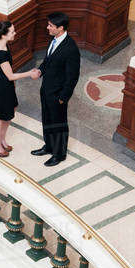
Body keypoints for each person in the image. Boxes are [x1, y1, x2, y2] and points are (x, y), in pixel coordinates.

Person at [30, 12, 81, 167]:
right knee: (47, 119)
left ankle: (59, 154)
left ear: (61, 28)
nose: (47, 28)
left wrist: (63, 97)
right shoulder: (53, 41)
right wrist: (40, 71)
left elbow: (72, 76)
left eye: (51, 25)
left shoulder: (71, 48)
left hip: (58, 94)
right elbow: (48, 61)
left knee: (58, 124)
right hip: (46, 90)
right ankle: (49, 146)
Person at [0, 21, 39, 157]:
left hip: (3, 83)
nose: (15, 33)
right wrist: (30, 73)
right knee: (0, 116)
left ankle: (2, 139)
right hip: (1, 86)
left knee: (11, 109)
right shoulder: (1, 54)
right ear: (4, 35)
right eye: (12, 31)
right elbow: (10, 76)